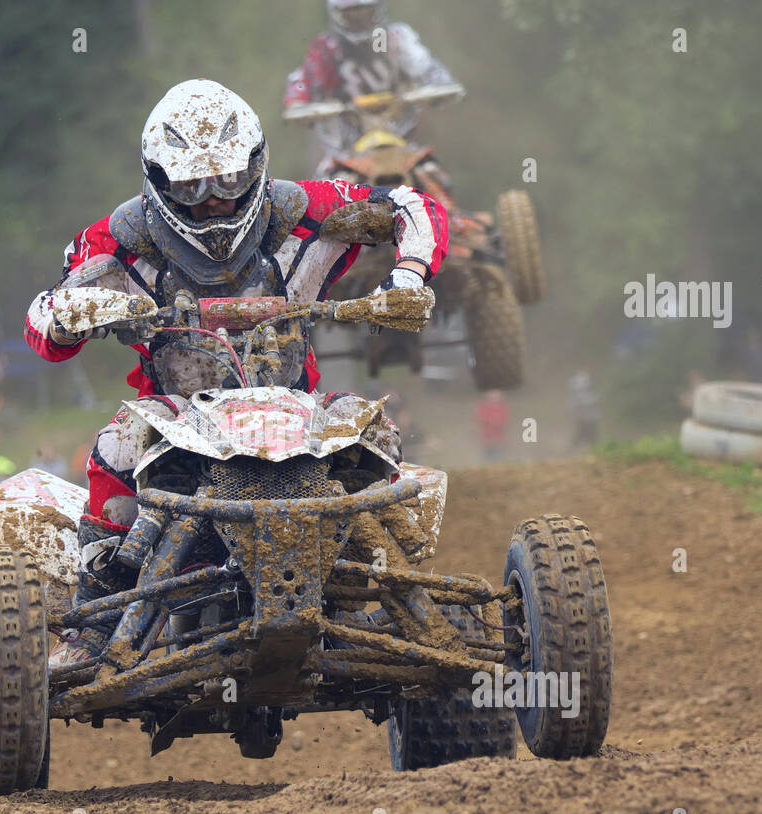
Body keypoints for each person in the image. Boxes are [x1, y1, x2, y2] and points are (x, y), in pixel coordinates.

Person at [24, 78, 450, 669]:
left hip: (299, 414)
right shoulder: (118, 241)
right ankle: (96, 618)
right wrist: (76, 313)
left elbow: (410, 205)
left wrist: (408, 275)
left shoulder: (300, 210)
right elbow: (46, 321)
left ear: (253, 167)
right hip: (173, 429)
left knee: (374, 431)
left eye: (227, 180)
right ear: (159, 182)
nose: (214, 201)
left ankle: (381, 593)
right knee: (119, 444)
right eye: (192, 186)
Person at [284, 0, 459, 179]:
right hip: (346, 150)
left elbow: (425, 65)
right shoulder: (325, 49)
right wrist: (297, 101)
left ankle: (445, 208)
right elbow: (301, 80)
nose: (360, 23)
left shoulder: (397, 38)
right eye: (351, 17)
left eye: (366, 14)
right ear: (337, 16)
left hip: (401, 140)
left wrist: (439, 82)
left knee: (433, 174)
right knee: (329, 188)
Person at [474, 389, 509, 462]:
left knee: (500, 459)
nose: (494, 397)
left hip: (499, 440)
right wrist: (493, 421)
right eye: (492, 395)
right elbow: (481, 419)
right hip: (487, 440)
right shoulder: (483, 407)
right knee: (485, 460)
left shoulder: (503, 407)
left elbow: (504, 420)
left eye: (496, 395)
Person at [569, 369, 601, 448]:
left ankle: (572, 449)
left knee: (588, 435)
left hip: (590, 418)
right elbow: (574, 404)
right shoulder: (579, 392)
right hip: (585, 418)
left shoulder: (590, 392)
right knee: (584, 435)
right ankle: (572, 449)